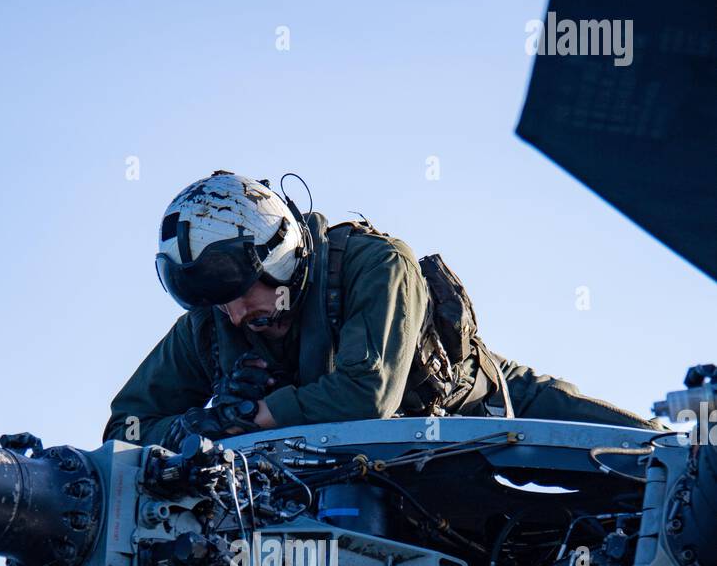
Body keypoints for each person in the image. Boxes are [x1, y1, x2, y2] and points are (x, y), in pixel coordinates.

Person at [104, 171, 656, 450]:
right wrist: (189, 428)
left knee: (649, 460)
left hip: (470, 417)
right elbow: (125, 429)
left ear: (280, 257)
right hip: (336, 476)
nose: (232, 315)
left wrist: (246, 418)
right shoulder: (210, 323)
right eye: (215, 302)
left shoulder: (375, 264)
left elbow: (365, 394)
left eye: (240, 291)